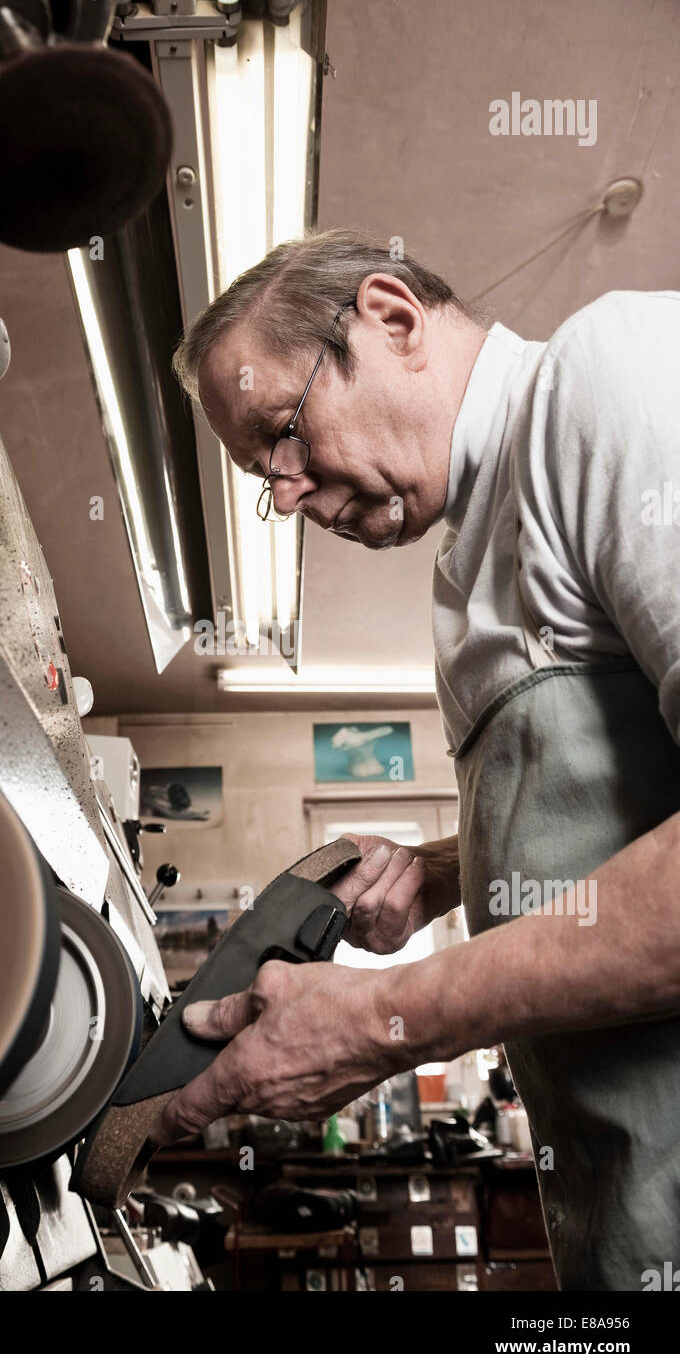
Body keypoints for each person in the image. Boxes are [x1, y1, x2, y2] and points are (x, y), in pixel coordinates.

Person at [151, 228, 680, 1291]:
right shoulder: (469, 558)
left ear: (390, 318)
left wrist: (388, 1021)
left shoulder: (603, 376)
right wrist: (449, 870)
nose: (289, 494)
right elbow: (632, 797)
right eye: (265, 477)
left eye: (285, 433)